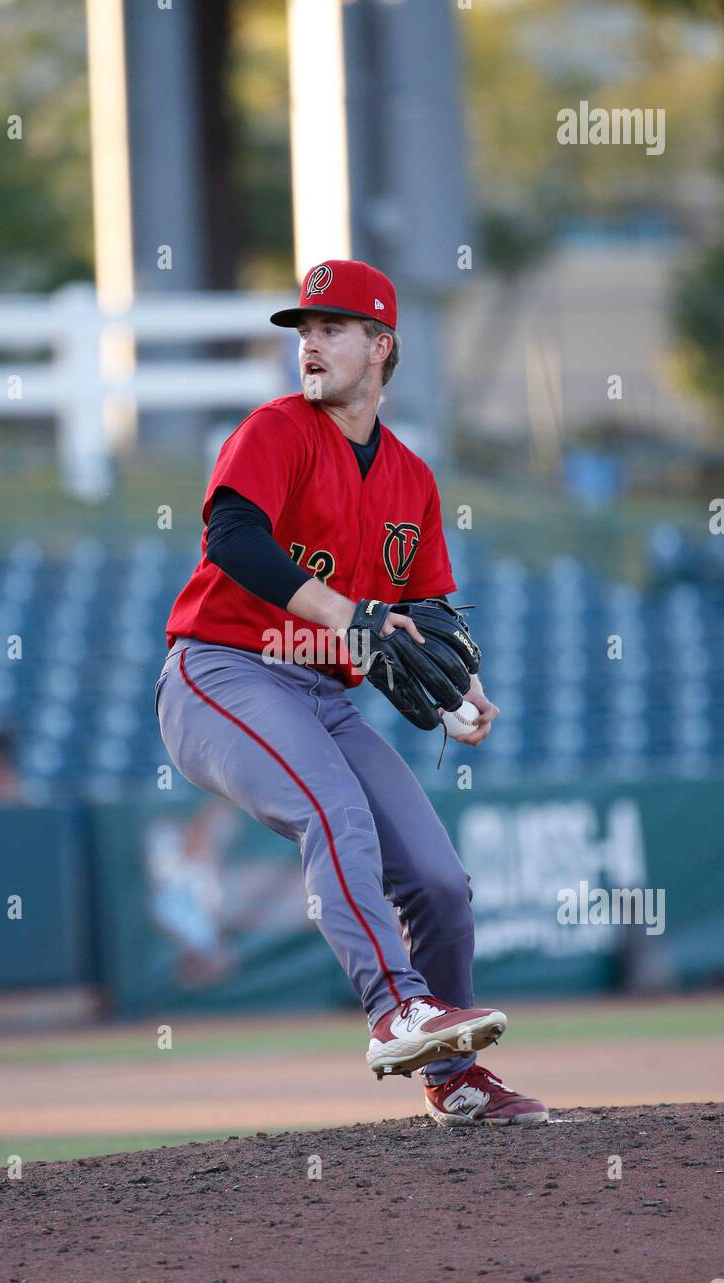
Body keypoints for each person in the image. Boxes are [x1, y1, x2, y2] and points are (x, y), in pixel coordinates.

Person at [156, 259, 547, 1126]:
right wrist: (345, 611)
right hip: (220, 672)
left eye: (331, 329)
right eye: (303, 332)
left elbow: (423, 611)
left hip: (323, 697)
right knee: (333, 809)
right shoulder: (276, 431)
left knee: (440, 883)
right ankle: (393, 1009)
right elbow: (231, 537)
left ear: (382, 347)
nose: (310, 346)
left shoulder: (411, 477)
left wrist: (464, 688)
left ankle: (453, 1076)